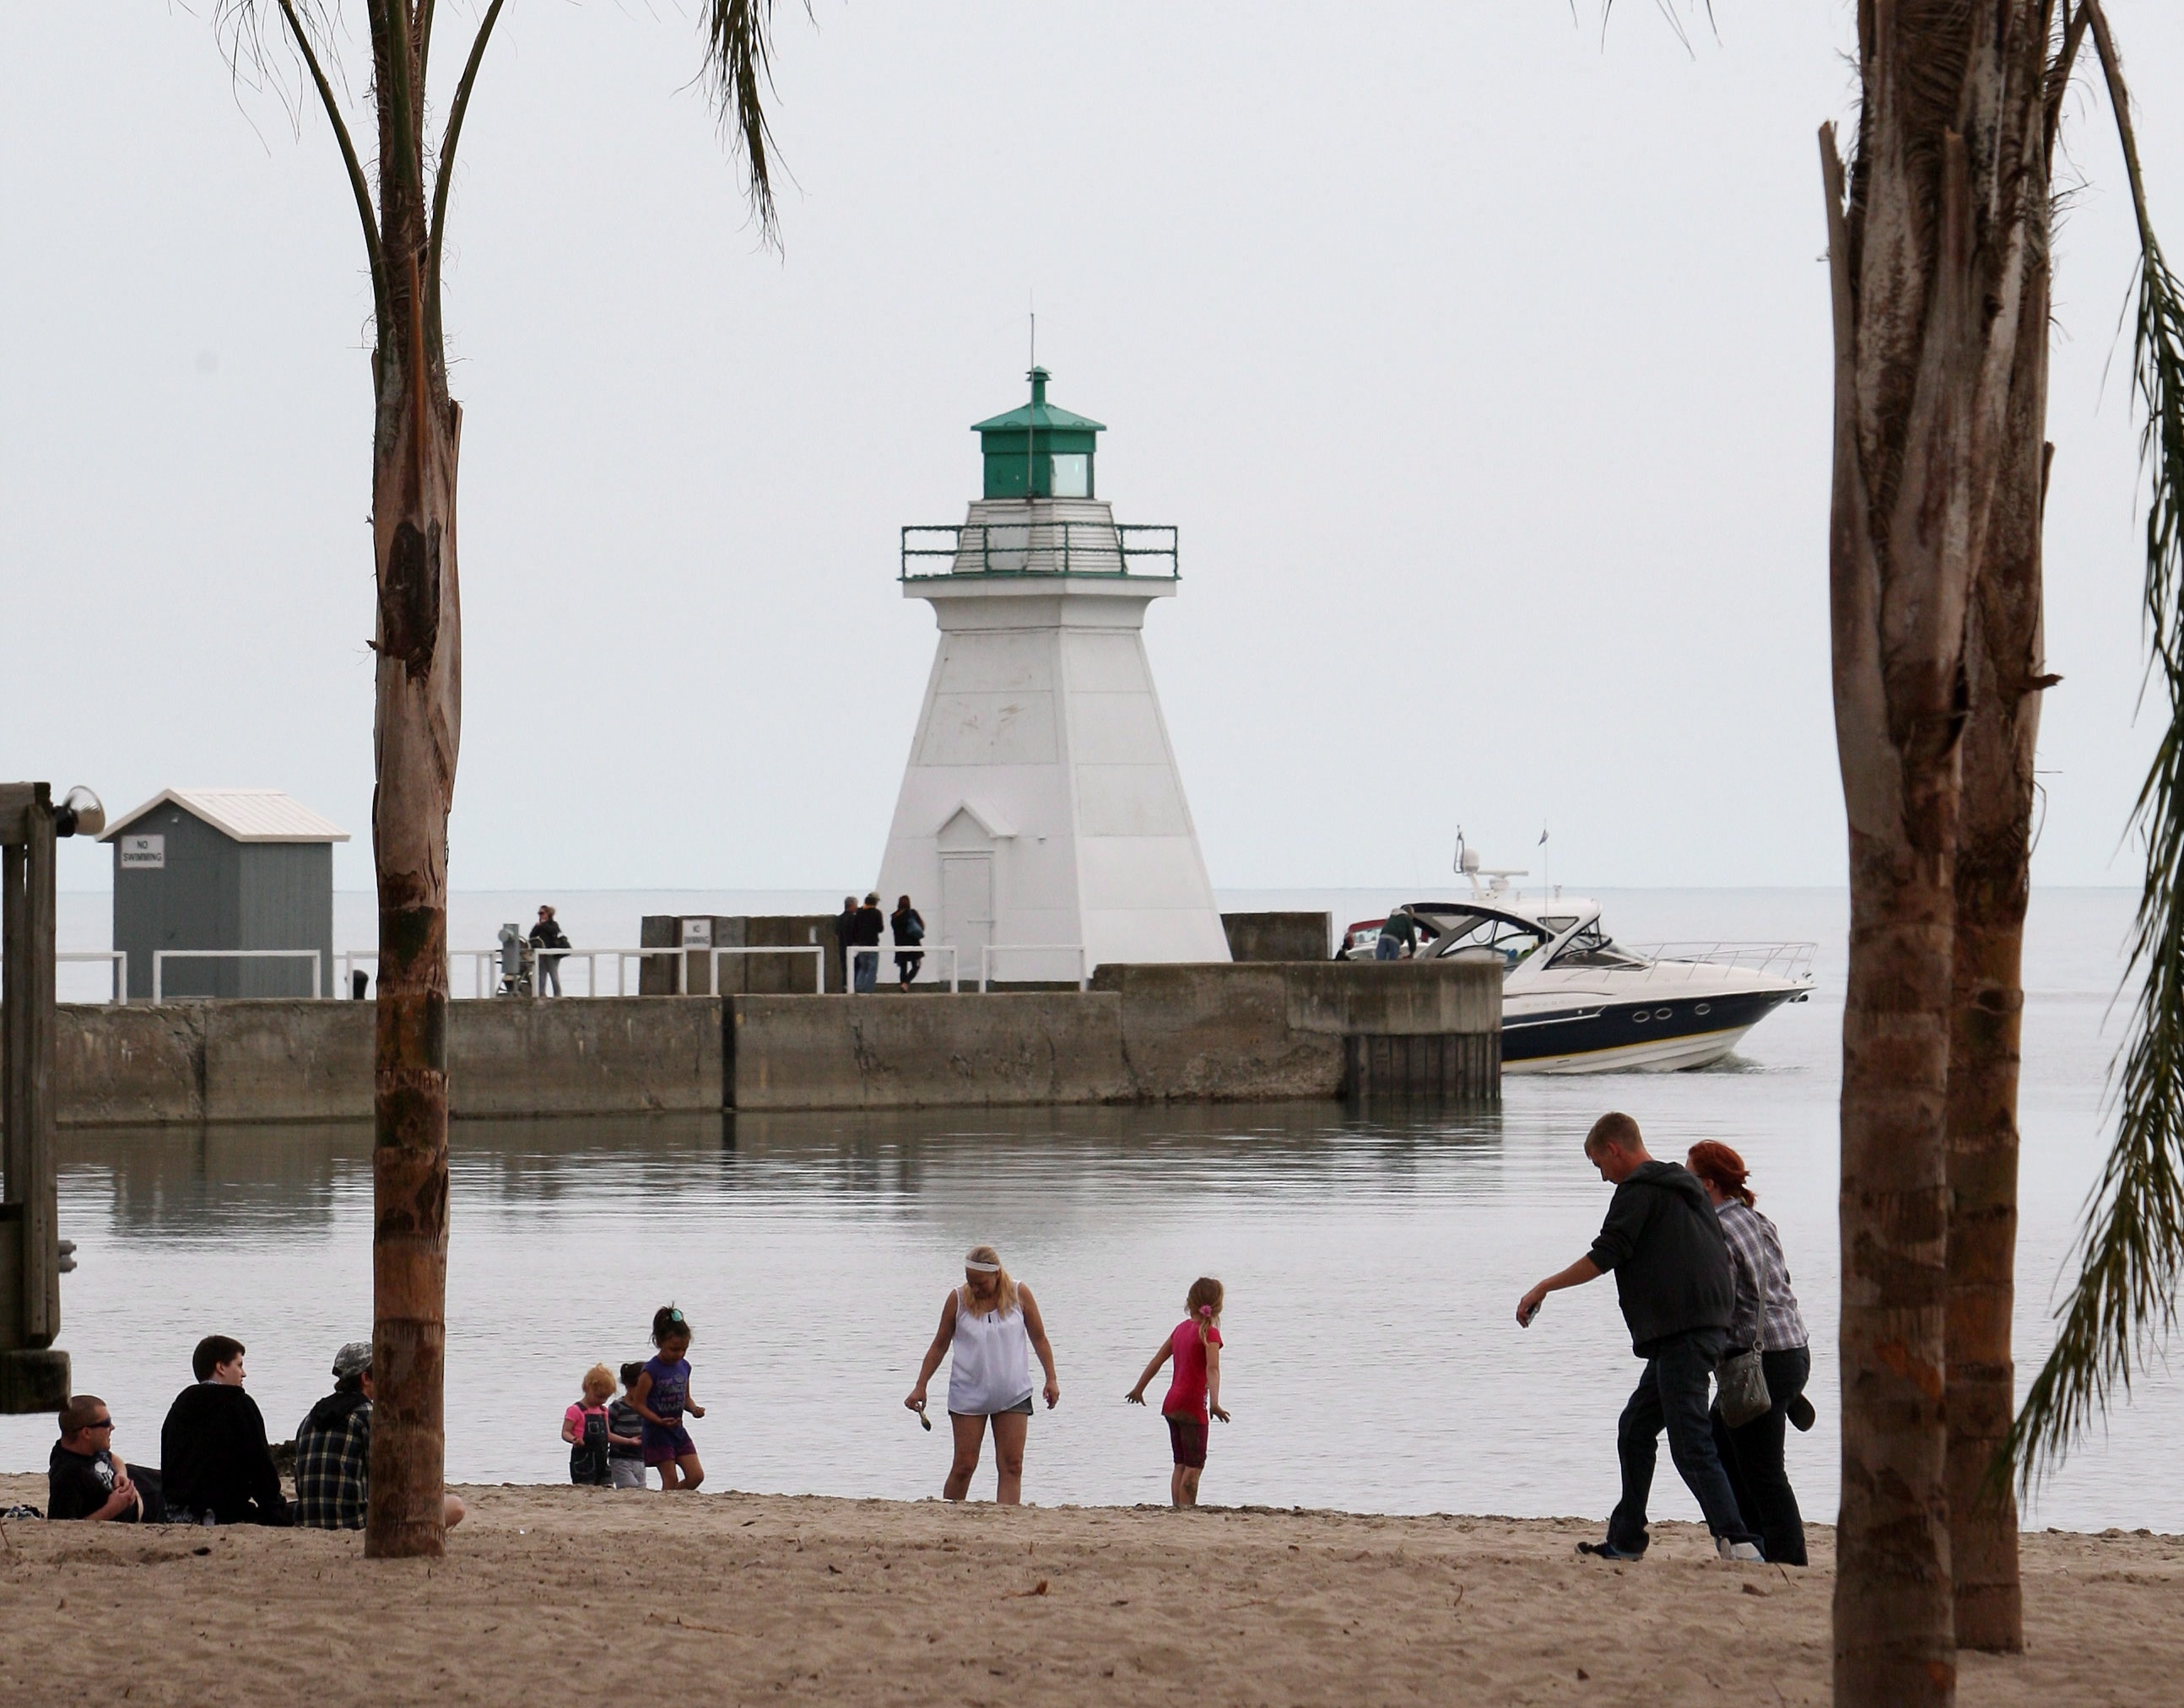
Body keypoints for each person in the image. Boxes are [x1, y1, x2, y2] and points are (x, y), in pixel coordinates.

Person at [1516, 1111, 1764, 1562]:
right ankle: (1628, 1539)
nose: (1603, 1177)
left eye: (1599, 1166)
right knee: (1635, 1428)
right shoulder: (1683, 1188)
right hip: (1701, 1327)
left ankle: (1739, 1541)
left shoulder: (1639, 1192)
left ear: (1614, 1149)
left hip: (1684, 1334)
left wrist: (1543, 1287)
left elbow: (1605, 1255)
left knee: (1690, 1442)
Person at [1688, 1140, 1814, 1567]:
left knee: (1762, 1471)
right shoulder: (1758, 1221)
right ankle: (1754, 1544)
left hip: (1755, 1361)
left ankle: (1788, 1560)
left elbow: (1717, 1302)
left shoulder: (1717, 1230)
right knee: (1723, 1446)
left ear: (1707, 1185)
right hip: (1792, 1347)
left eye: (1690, 1178)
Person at [905, 1244, 1062, 1505]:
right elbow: (939, 1345)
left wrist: (1051, 1378)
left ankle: (1007, 1520)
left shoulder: (1019, 1294)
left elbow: (1040, 1339)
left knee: (1012, 1464)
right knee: (964, 1465)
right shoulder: (957, 1300)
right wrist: (920, 1385)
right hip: (967, 1395)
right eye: (970, 1281)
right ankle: (950, 1514)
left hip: (1013, 1393)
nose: (974, 1288)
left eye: (980, 1283)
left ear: (997, 1275)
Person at [294, 1342, 466, 1532]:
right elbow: (396, 1480)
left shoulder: (309, 1419)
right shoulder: (370, 1416)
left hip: (309, 1522)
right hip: (356, 1524)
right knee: (455, 1506)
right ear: (366, 1378)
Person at [159, 1333, 289, 1527]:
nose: (243, 1373)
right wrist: (275, 1508)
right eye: (239, 1365)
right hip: (225, 1514)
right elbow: (260, 1464)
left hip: (177, 1514)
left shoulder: (178, 1409)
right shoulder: (239, 1404)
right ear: (221, 1367)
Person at [1126, 1276, 1231, 1508]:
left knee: (1180, 1463)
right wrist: (1215, 1402)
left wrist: (1139, 1388)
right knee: (1194, 1466)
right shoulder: (1210, 1334)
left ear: (1190, 1303)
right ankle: (1186, 1511)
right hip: (1193, 1404)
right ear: (1217, 1306)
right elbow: (1212, 1369)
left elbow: (1157, 1361)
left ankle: (1177, 1509)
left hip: (1172, 1403)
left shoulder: (1180, 1330)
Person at [47, 1394, 165, 1522]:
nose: (112, 1427)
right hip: (151, 1509)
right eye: (106, 1423)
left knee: (181, 1479)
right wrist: (113, 1508)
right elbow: (63, 1527)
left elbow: (114, 1458)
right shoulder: (67, 1476)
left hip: (138, 1479)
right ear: (87, 1433)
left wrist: (121, 1474)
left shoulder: (88, 1449)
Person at [628, 1306, 705, 1492]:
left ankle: (669, 1500)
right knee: (670, 1481)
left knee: (696, 1476)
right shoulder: (650, 1371)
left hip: (677, 1430)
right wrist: (659, 1421)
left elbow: (686, 1398)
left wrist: (694, 1409)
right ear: (659, 1342)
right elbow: (638, 1404)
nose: (679, 1354)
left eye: (683, 1349)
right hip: (657, 1432)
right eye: (674, 1349)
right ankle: (667, 1508)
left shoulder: (685, 1367)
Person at [563, 1364, 616, 1487]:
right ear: (587, 1388)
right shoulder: (576, 1410)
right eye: (599, 1396)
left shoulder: (603, 1411)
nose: (602, 1401)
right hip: (583, 1461)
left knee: (607, 1486)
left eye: (606, 1398)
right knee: (586, 1487)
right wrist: (574, 1439)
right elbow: (565, 1432)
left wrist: (629, 1441)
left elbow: (608, 1435)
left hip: (602, 1461)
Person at [608, 1362, 648, 1490]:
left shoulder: (647, 1407)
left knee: (641, 1489)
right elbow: (606, 1433)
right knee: (629, 1487)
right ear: (628, 1385)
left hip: (641, 1458)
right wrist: (628, 1441)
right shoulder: (617, 1407)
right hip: (620, 1459)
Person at [529, 905, 570, 997]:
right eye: (539, 913)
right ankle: (541, 994)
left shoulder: (553, 924)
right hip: (542, 954)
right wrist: (537, 927)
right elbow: (532, 936)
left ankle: (557, 995)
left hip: (552, 954)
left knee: (553, 975)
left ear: (548, 914)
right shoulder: (539, 926)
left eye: (542, 913)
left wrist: (543, 924)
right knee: (542, 974)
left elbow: (553, 931)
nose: (540, 915)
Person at [849, 892, 885, 993]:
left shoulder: (859, 912)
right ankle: (868, 990)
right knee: (872, 969)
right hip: (873, 944)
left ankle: (859, 987)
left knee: (863, 967)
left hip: (861, 944)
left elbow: (855, 928)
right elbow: (880, 928)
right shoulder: (877, 913)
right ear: (875, 902)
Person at [890, 894, 926, 990]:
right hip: (913, 943)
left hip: (899, 944)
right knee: (916, 965)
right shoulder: (912, 913)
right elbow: (921, 926)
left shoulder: (894, 916)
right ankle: (906, 983)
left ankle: (902, 984)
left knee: (903, 967)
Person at [833, 896, 859, 991]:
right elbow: (856, 933)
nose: (857, 907)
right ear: (851, 905)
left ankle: (845, 986)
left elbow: (836, 935)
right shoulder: (854, 918)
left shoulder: (839, 919)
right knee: (855, 968)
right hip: (852, 947)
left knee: (845, 969)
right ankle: (853, 987)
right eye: (856, 904)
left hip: (842, 947)